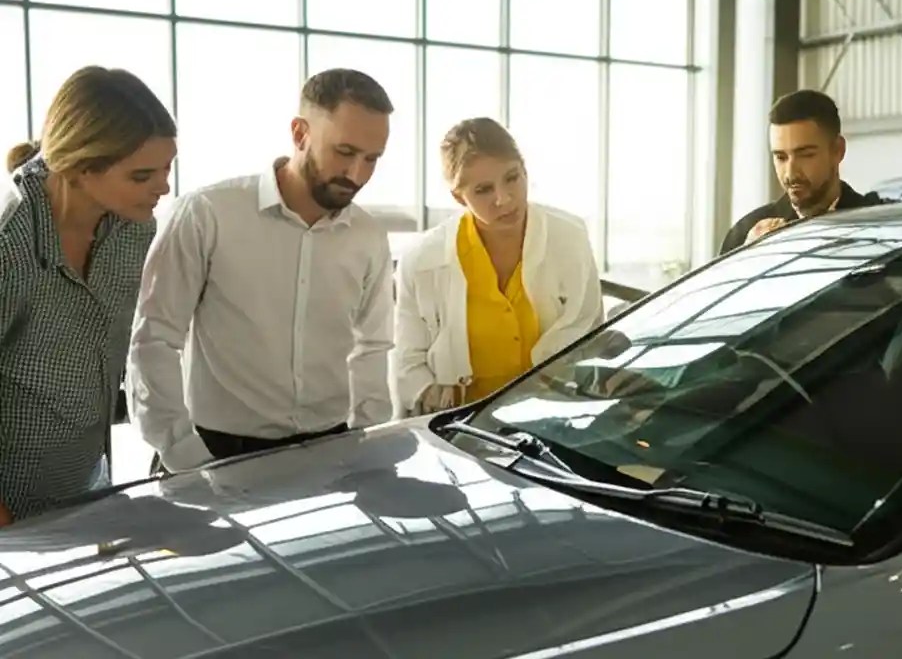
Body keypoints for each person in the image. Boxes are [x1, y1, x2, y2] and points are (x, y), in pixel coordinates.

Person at [127, 68, 396, 471]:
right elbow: (155, 340)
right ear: (300, 133)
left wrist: (368, 444)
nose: (357, 174)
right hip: (214, 453)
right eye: (344, 152)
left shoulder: (369, 236)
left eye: (371, 159)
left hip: (333, 454)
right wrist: (182, 452)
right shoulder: (207, 214)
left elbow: (372, 346)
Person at [0, 66, 176, 525]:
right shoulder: (8, 242)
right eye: (142, 176)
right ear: (80, 168)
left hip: (88, 488)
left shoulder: (135, 228)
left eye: (166, 168)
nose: (163, 187)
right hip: (10, 512)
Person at [392, 117, 603, 416]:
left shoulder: (570, 237)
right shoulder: (421, 260)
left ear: (525, 171)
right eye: (483, 190)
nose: (504, 199)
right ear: (458, 197)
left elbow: (591, 332)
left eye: (512, 178)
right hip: (462, 427)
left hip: (555, 419)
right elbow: (407, 360)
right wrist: (440, 402)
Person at [719, 89, 882, 255]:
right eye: (781, 157)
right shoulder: (745, 235)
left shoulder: (882, 227)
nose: (790, 173)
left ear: (838, 150)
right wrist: (751, 258)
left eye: (806, 155)